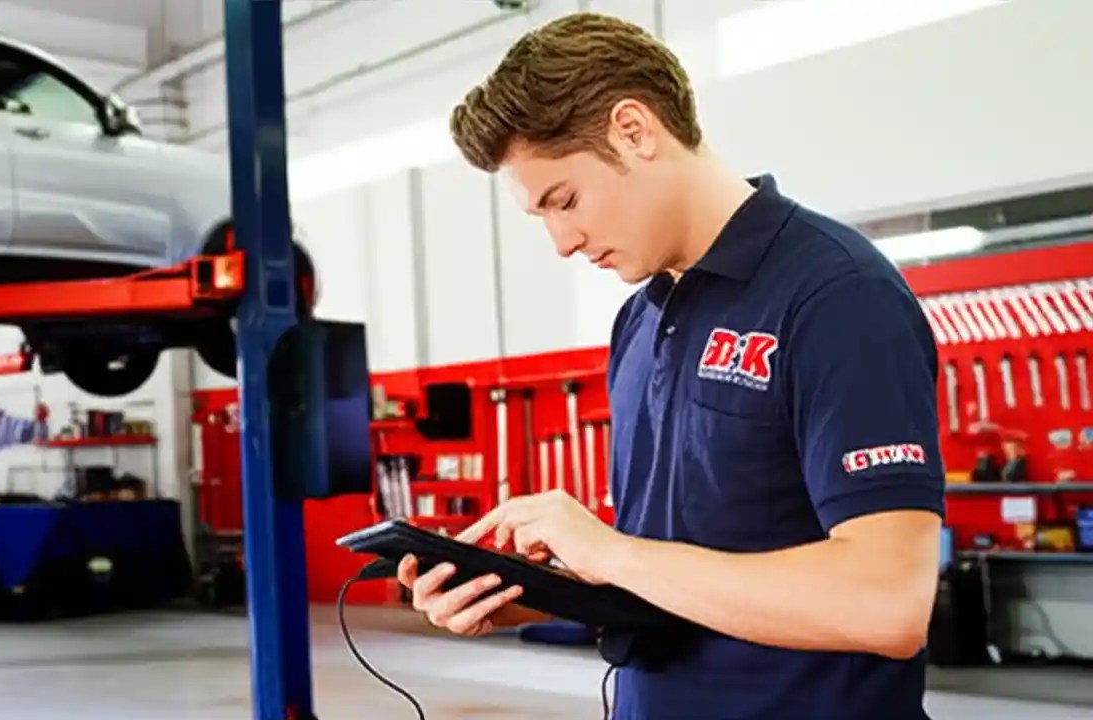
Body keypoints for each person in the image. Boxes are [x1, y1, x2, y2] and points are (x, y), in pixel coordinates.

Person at [396, 12, 945, 720]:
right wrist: (515, 593)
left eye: (564, 200)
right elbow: (673, 575)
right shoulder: (642, 320)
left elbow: (886, 604)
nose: (562, 241)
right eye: (541, 217)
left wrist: (608, 551)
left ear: (635, 130)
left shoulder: (837, 295)